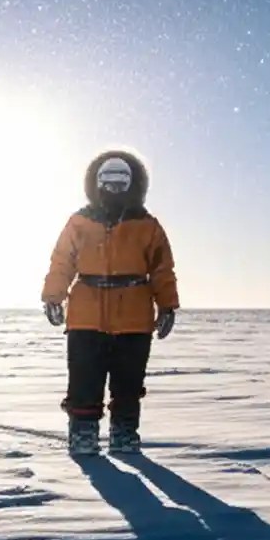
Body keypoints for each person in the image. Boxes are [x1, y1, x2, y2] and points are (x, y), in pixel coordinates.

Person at [41, 149, 180, 455]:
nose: (114, 190)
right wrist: (53, 297)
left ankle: (124, 434)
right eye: (108, 183)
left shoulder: (148, 226)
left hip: (134, 315)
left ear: (132, 185)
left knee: (128, 383)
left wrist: (167, 306)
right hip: (85, 316)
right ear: (97, 183)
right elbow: (62, 261)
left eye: (121, 184)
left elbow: (161, 269)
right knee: (84, 381)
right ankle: (82, 435)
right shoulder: (79, 222)